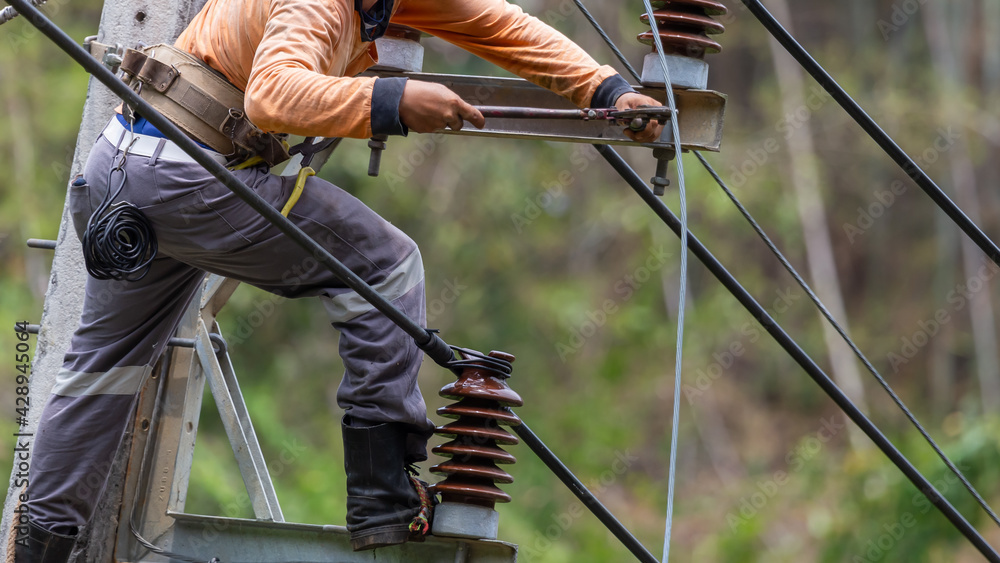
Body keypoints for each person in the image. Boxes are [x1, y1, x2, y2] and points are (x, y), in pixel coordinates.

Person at [16, 0, 664, 560]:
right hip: (191, 178)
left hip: (120, 169)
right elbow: (272, 94)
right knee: (386, 263)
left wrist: (604, 90)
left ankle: (34, 549)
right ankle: (384, 496)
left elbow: (498, 25)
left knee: (102, 371)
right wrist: (392, 100)